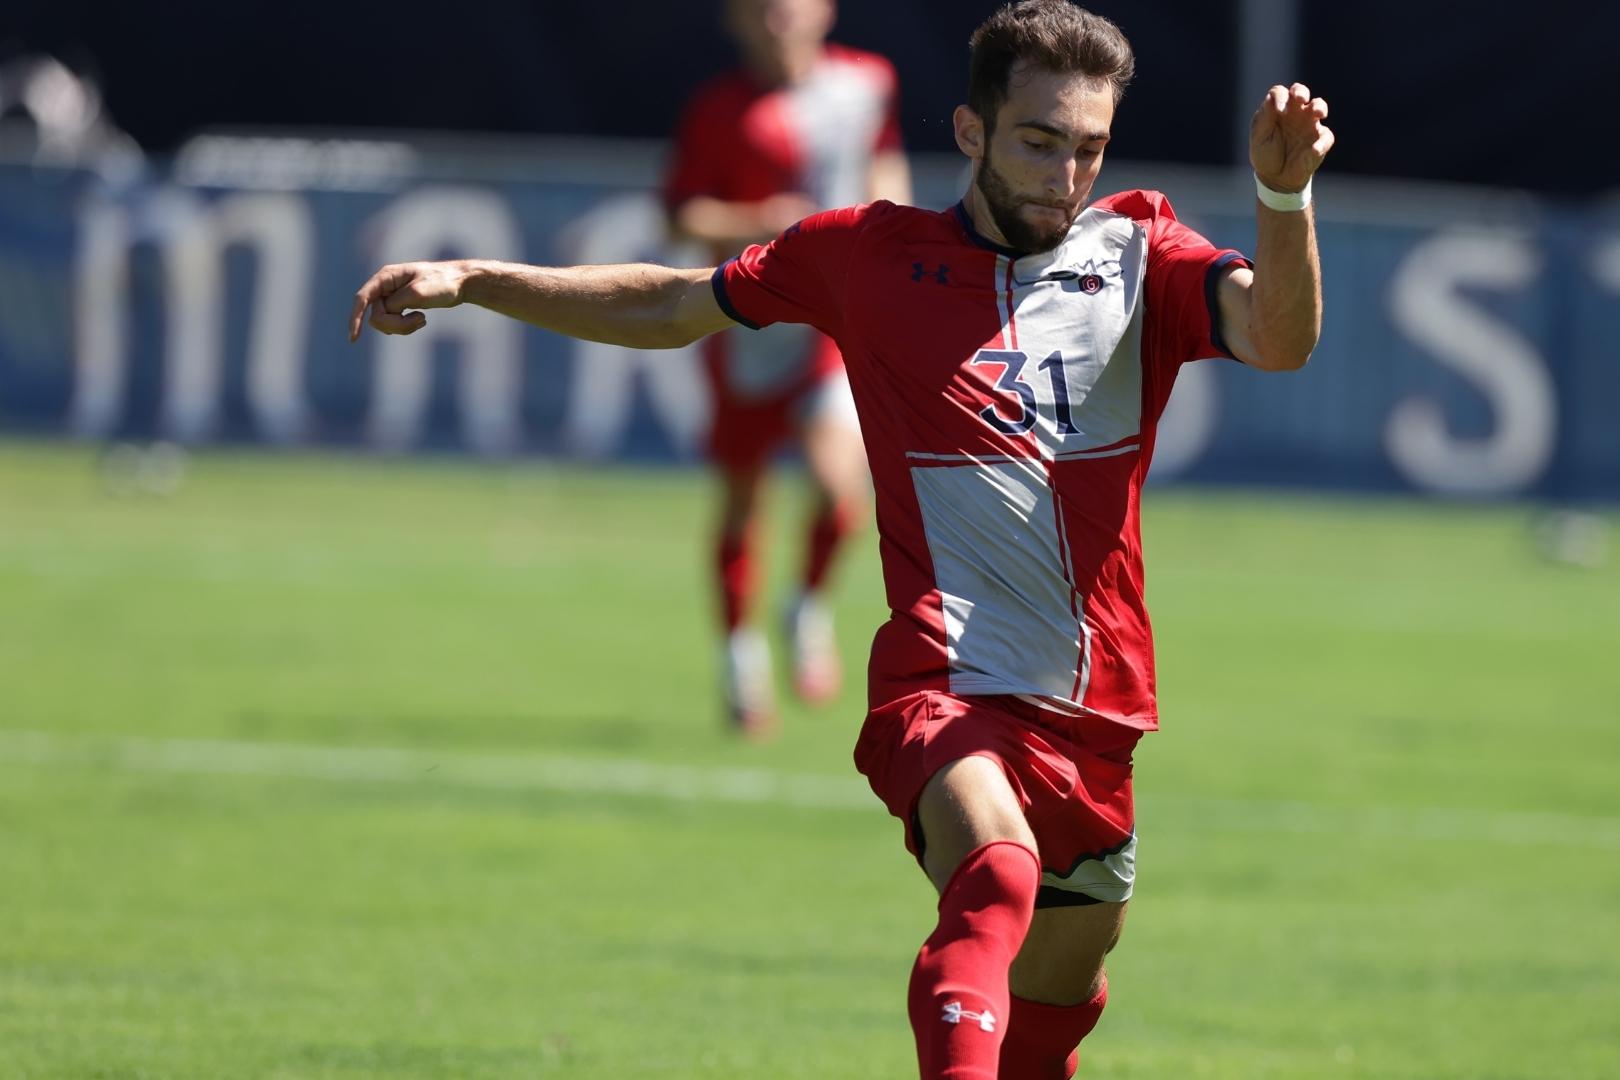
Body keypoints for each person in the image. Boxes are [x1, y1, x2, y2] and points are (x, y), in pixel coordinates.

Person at [349, 2, 1332, 1073]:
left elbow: (1279, 340)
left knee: (1057, 1007)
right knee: (994, 878)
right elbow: (675, 304)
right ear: (970, 132)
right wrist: (479, 281)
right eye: (1038, 140)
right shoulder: (866, 256)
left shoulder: (1144, 256)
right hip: (943, 682)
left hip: (1094, 710)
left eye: (1086, 147)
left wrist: (1283, 197)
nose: (1065, 174)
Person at [664, 0, 911, 737]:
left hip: (829, 327)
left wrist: (886, 234)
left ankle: (805, 606)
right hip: (745, 324)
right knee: (744, 502)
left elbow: (885, 175)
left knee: (842, 491)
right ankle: (739, 653)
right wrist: (761, 220)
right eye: (760, 8)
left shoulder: (867, 83)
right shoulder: (719, 110)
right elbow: (679, 215)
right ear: (735, 20)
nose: (778, 17)